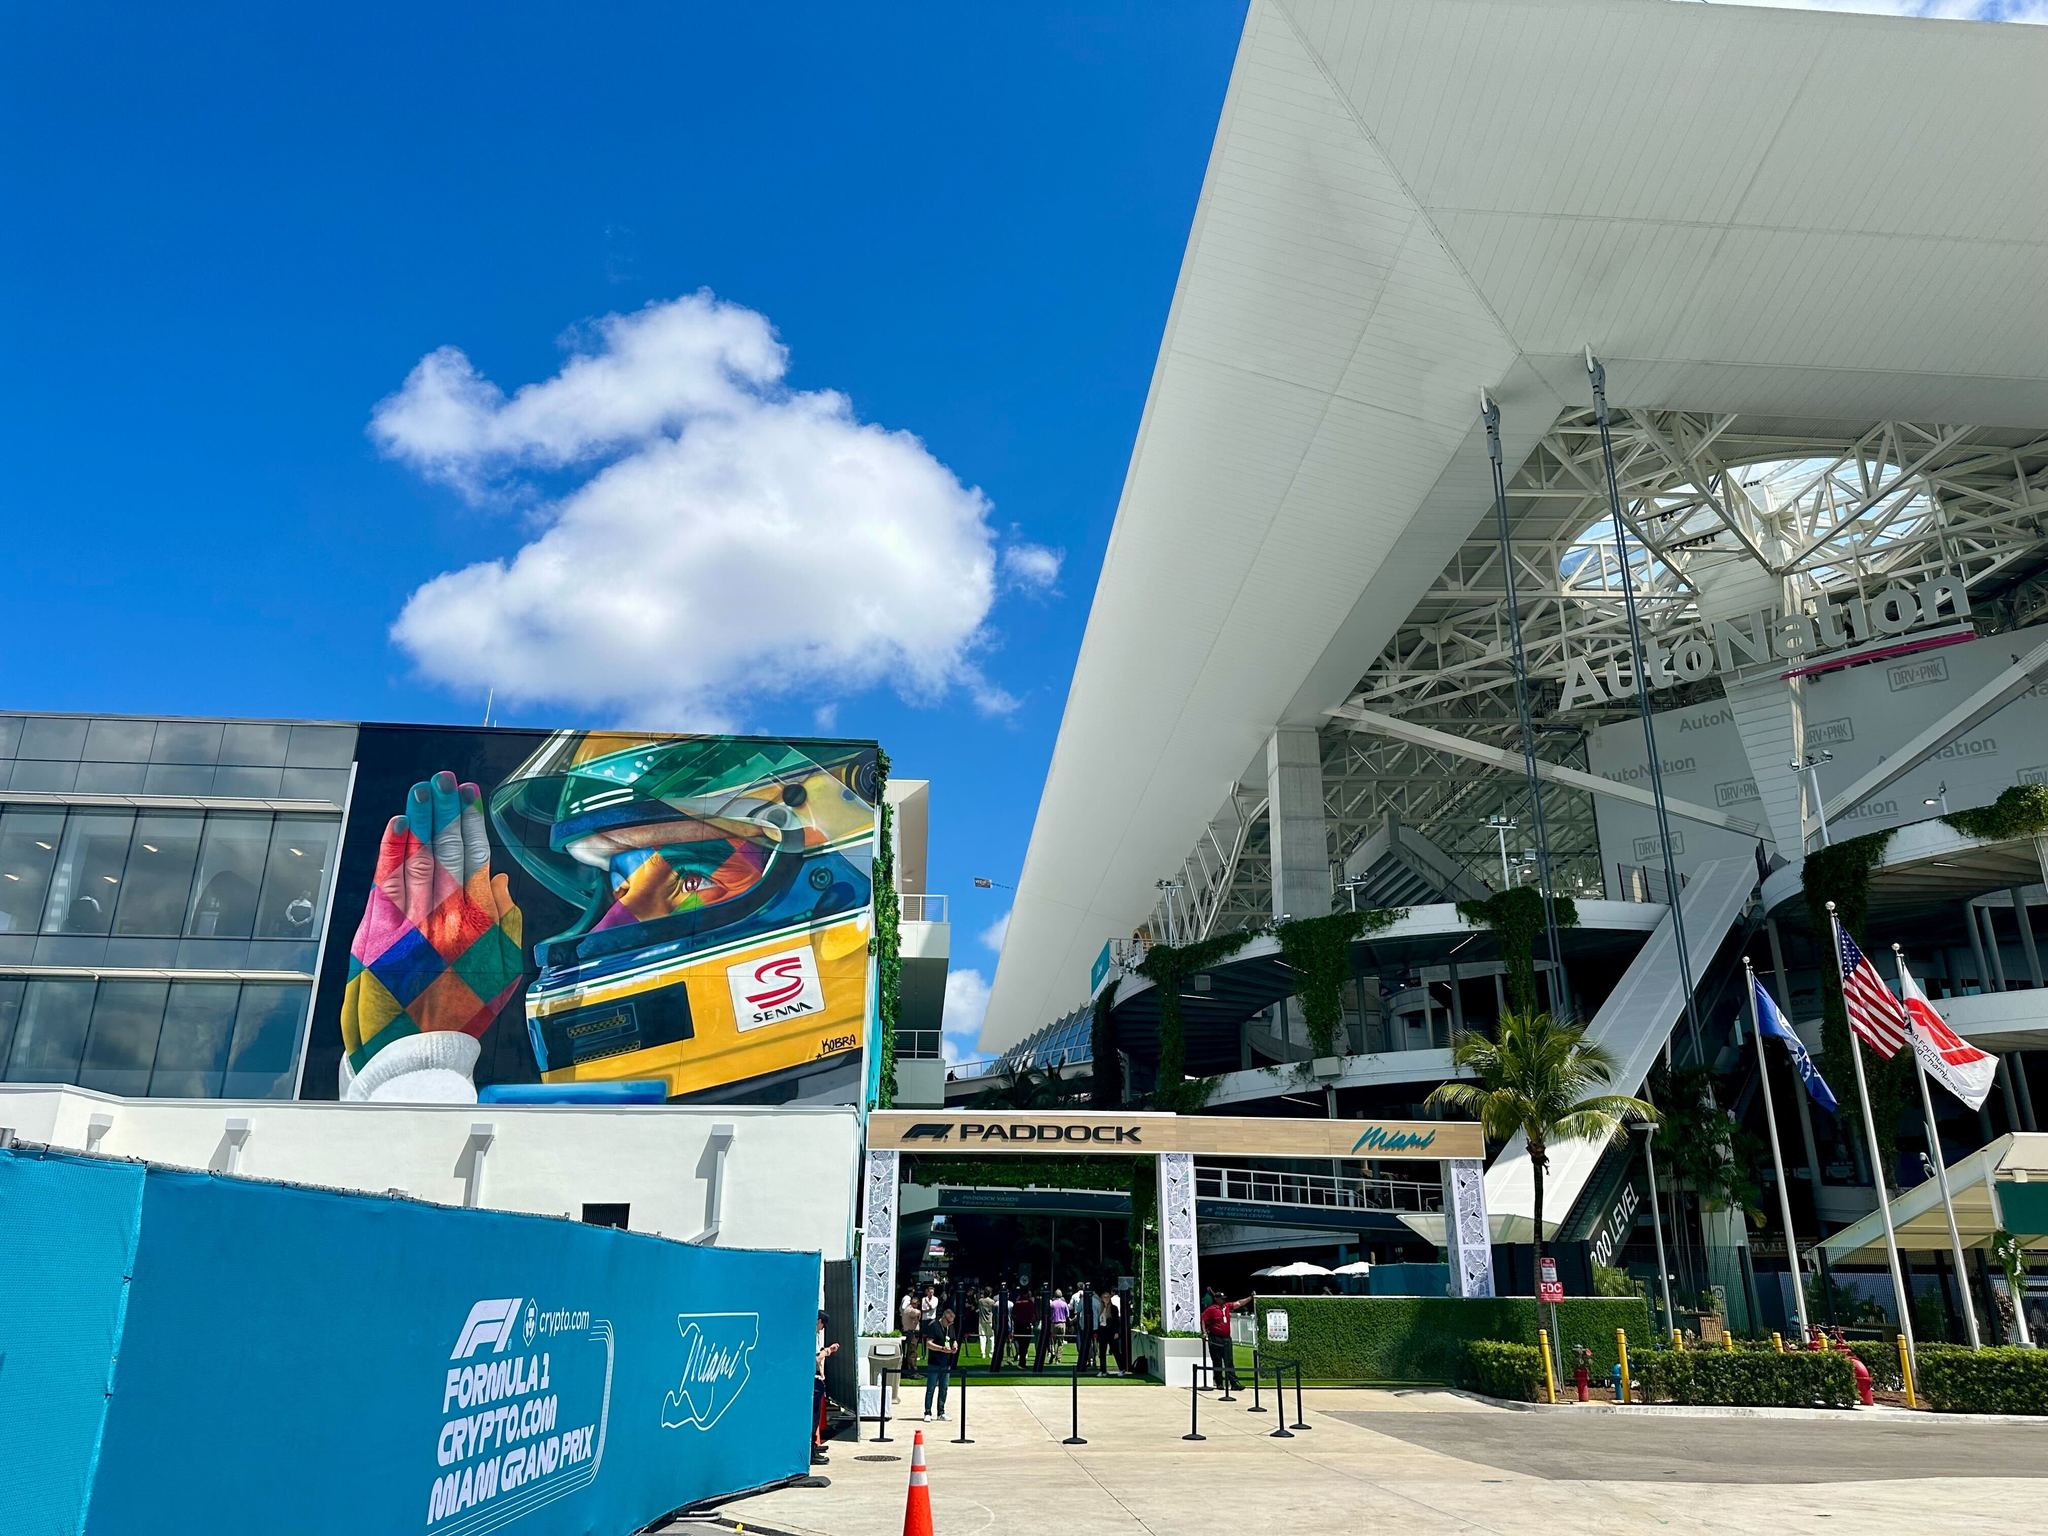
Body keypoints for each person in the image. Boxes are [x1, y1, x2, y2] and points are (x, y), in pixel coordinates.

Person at [1201, 1289, 1250, 1392]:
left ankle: (1234, 1383)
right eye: (1221, 1299)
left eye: (1224, 1299)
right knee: (1217, 1361)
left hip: (1226, 1338)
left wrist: (1250, 1298)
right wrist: (1204, 1332)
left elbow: (1239, 1303)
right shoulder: (1211, 1309)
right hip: (1215, 1338)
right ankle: (1219, 1382)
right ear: (1216, 1299)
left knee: (1229, 1361)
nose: (1223, 1300)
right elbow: (1203, 1319)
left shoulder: (1227, 1307)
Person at [921, 1307, 960, 1421]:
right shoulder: (934, 1326)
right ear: (943, 1318)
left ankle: (941, 1412)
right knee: (931, 1388)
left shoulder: (950, 1327)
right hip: (934, 1362)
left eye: (951, 1322)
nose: (950, 1324)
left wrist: (955, 1345)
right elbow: (929, 1344)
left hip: (946, 1363)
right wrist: (942, 1348)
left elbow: (953, 1339)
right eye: (948, 1322)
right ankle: (927, 1412)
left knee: (944, 1388)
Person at [813, 1310, 839, 1466]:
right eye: (823, 1325)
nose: (822, 1329)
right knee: (813, 1416)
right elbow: (816, 1358)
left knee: (815, 1417)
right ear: (819, 1322)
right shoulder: (811, 1336)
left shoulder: (813, 1335)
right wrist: (827, 1351)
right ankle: (812, 1450)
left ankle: (814, 1446)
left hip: (817, 1379)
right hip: (813, 1380)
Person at [1010, 1288, 1037, 1368]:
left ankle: (1020, 1358)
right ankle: (1022, 1361)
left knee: (1018, 1341)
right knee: (1025, 1345)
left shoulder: (1017, 1303)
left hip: (1018, 1325)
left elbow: (1013, 1315)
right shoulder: (1029, 1303)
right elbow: (1033, 1315)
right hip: (1026, 1326)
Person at [900, 1289, 922, 1371]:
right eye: (915, 1303)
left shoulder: (908, 1309)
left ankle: (908, 1369)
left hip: (911, 1332)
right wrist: (919, 1312)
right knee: (912, 1352)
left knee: (911, 1351)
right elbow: (917, 1313)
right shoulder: (910, 1310)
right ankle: (912, 1371)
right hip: (911, 1333)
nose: (916, 1305)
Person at [976, 1287, 997, 1365]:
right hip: (990, 1321)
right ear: (990, 1293)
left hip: (981, 1321)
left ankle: (983, 1353)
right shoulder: (992, 1302)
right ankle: (991, 1353)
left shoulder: (980, 1301)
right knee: (991, 1337)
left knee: (982, 1337)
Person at [1049, 1288, 1069, 1358]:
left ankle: (1053, 1352)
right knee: (1060, 1342)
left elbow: (1049, 1314)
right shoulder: (1064, 1304)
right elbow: (1067, 1315)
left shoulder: (1052, 1304)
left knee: (1053, 1340)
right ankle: (1058, 1358)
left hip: (1054, 1323)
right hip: (1062, 1323)